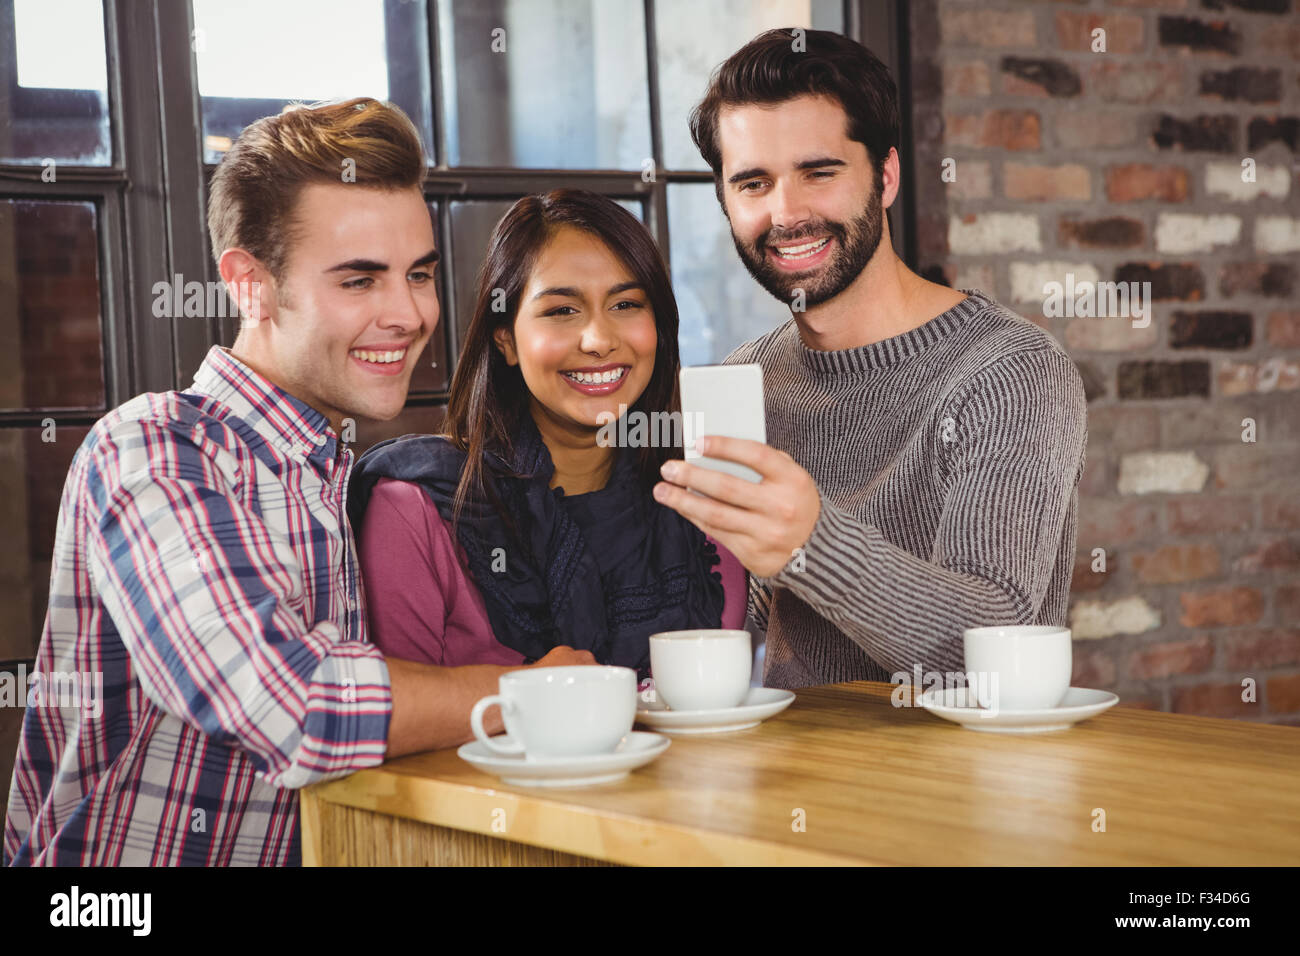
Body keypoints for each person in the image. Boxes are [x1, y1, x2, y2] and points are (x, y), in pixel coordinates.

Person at [3, 98, 591, 867]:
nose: (409, 313)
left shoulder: (332, 467)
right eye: (359, 281)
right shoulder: (155, 448)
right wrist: (527, 693)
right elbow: (291, 703)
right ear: (248, 285)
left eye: (418, 274)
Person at [653, 30, 1088, 690]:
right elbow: (735, 638)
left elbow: (996, 649)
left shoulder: (1011, 371)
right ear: (724, 201)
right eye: (752, 183)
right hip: (781, 780)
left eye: (818, 173)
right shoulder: (749, 379)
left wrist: (810, 544)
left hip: (956, 787)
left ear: (884, 176)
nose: (786, 212)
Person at [349, 190, 746, 679]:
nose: (599, 340)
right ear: (506, 341)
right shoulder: (415, 511)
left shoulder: (703, 507)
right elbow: (396, 723)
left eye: (626, 304)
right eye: (561, 311)